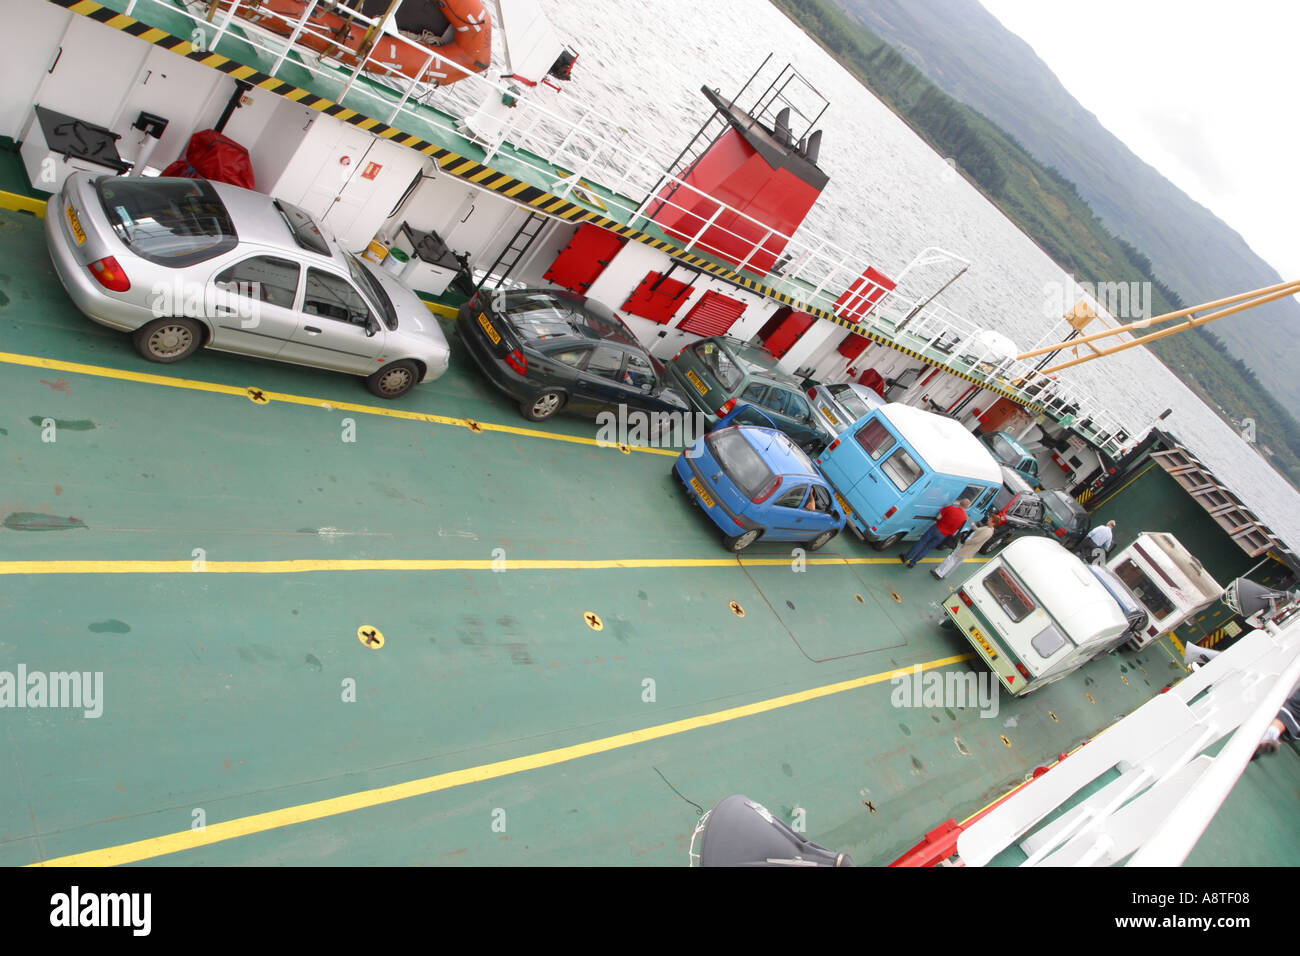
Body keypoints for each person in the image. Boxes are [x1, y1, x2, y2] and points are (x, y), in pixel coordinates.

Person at [901, 498, 970, 569]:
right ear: (967, 507)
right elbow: (958, 528)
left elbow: (938, 517)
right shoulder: (964, 517)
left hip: (936, 528)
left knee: (921, 542)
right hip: (943, 535)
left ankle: (906, 557)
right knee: (927, 548)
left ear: (960, 502)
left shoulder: (950, 508)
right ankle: (912, 563)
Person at [931, 514, 1002, 579]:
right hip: (969, 548)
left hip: (967, 547)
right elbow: (977, 529)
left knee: (952, 558)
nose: (988, 519)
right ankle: (942, 572)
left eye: (990, 519)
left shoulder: (988, 531)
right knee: (955, 560)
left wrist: (966, 543)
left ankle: (939, 573)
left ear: (993, 522)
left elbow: (976, 540)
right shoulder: (988, 529)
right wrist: (970, 521)